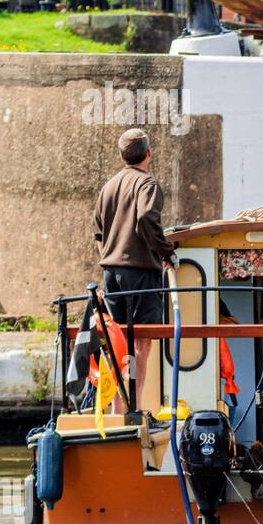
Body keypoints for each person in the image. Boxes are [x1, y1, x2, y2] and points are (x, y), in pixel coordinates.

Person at [93, 129, 177, 397]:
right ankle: (136, 409)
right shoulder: (146, 184)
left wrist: (108, 255)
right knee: (142, 342)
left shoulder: (108, 187)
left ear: (122, 156)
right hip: (141, 273)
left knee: (118, 342)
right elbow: (146, 219)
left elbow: (98, 232)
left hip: (111, 273)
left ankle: (119, 406)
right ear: (149, 153)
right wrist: (166, 252)